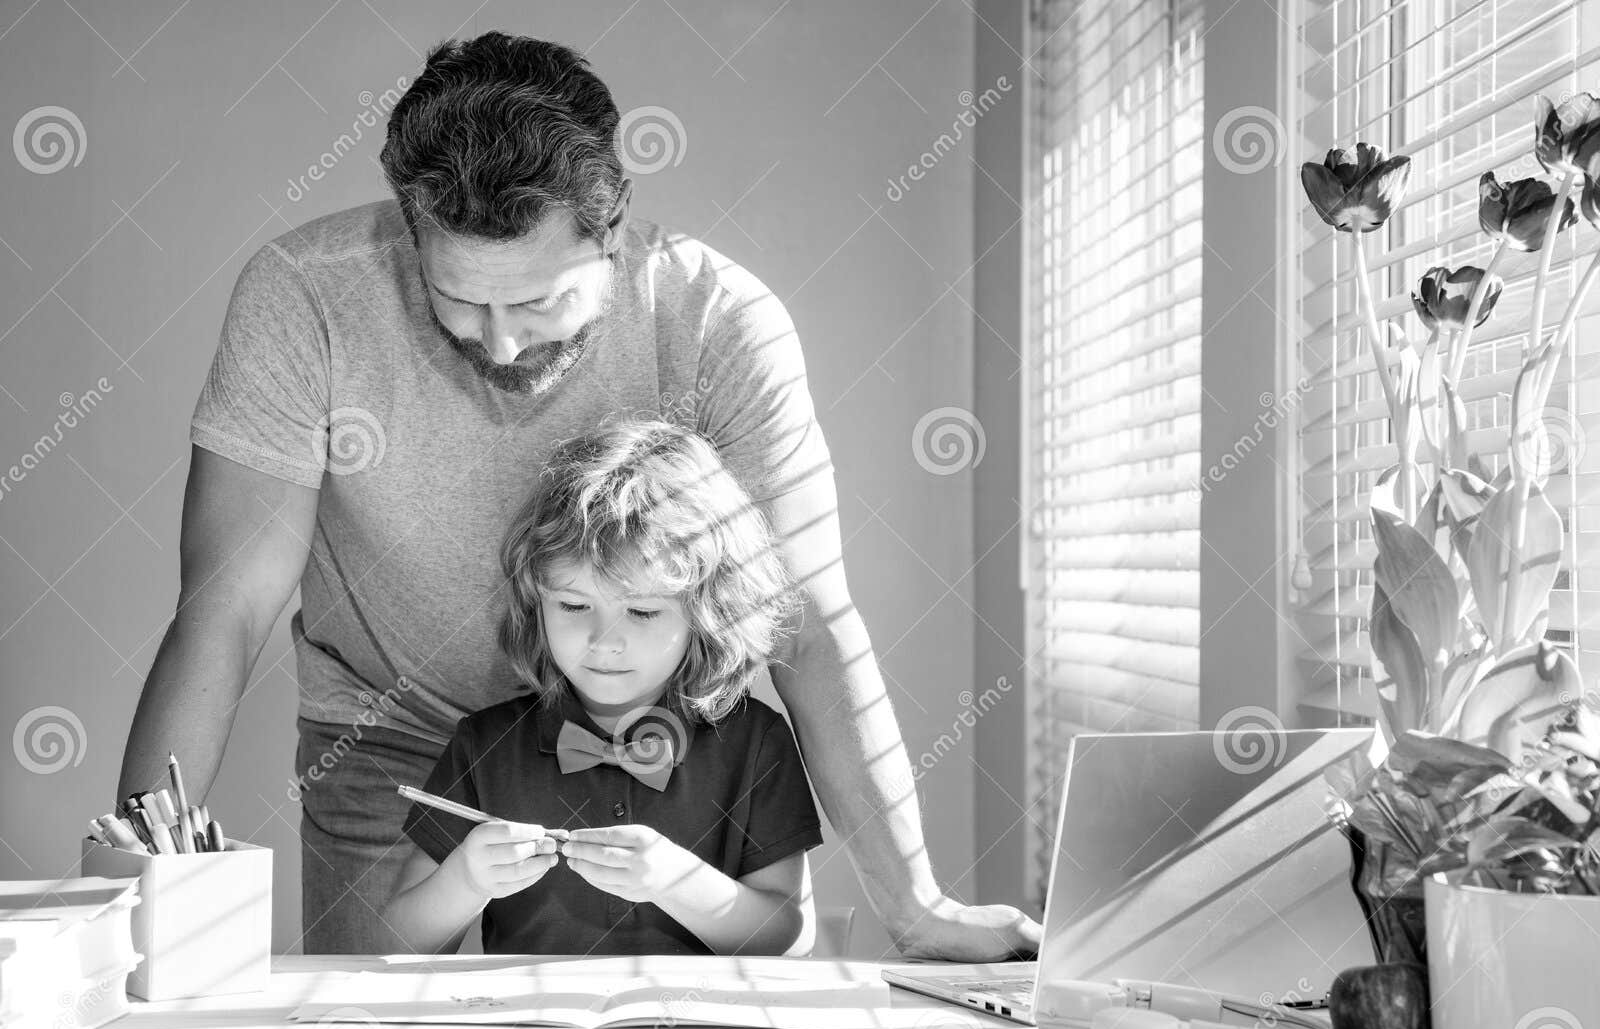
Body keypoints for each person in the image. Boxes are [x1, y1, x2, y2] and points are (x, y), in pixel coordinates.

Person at [114, 31, 1038, 960]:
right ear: (410, 228)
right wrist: (135, 880)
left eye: (540, 303)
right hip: (391, 739)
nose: (503, 344)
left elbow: (804, 618)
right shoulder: (303, 297)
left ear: (613, 225)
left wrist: (916, 910)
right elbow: (225, 606)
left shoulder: (720, 320)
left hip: (661, 740)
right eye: (461, 302)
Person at [382, 421, 821, 956]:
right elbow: (397, 941)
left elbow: (790, 938)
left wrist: (680, 885)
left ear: (709, 611)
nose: (603, 642)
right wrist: (465, 882)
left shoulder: (756, 743)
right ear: (533, 601)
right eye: (572, 606)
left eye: (640, 611)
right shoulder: (485, 744)